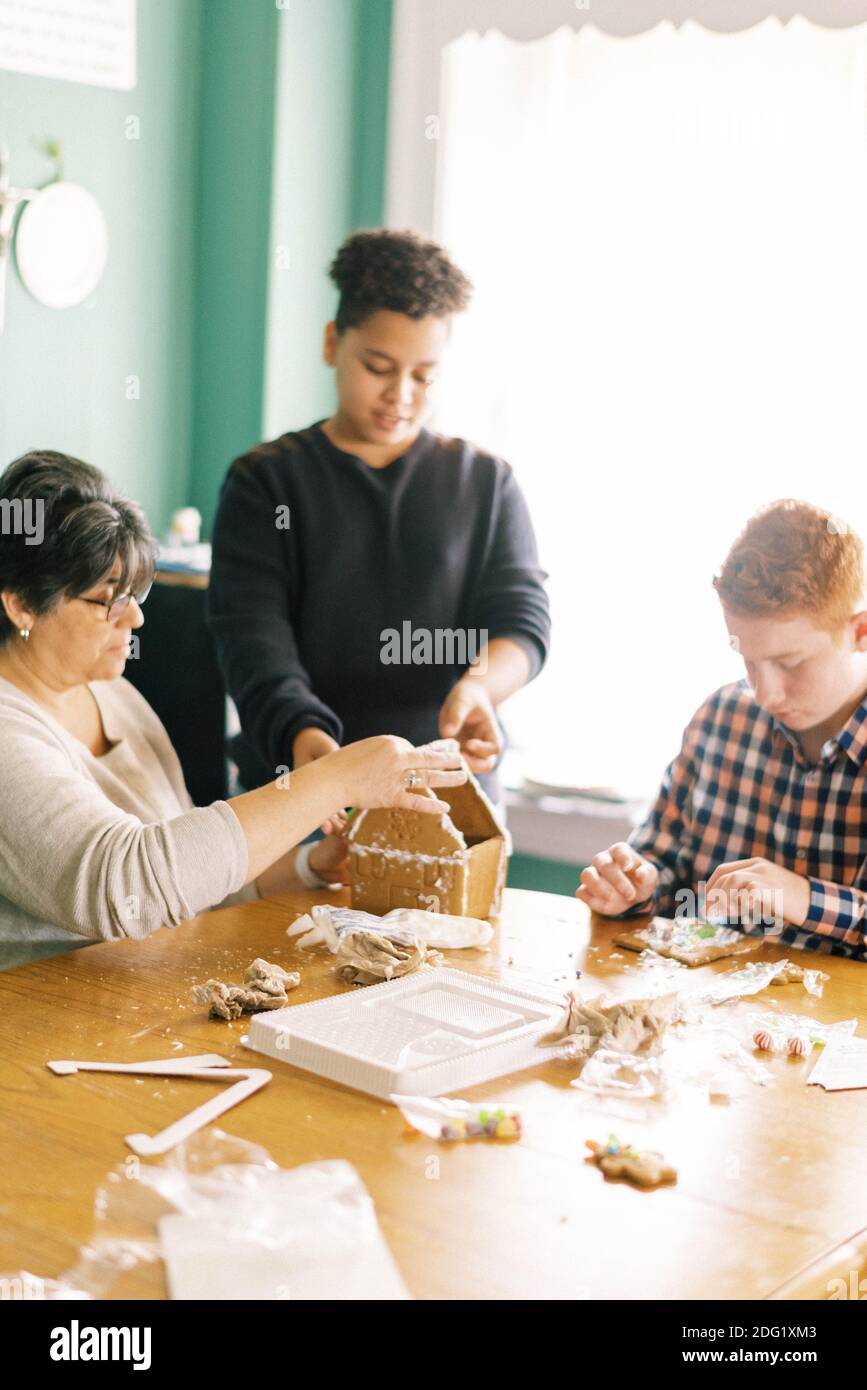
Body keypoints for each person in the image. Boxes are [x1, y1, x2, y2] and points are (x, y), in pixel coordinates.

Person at [0, 451, 466, 969]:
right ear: (21, 602)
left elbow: (188, 888)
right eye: (107, 600)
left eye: (136, 592)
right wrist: (335, 780)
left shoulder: (114, 696)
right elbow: (128, 888)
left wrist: (311, 866)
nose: (133, 617)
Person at [207, 229, 550, 822]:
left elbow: (523, 619)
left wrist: (478, 689)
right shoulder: (266, 483)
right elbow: (253, 644)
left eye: (424, 376)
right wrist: (311, 748)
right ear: (332, 342)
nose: (401, 395)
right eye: (379, 367)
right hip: (305, 794)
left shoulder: (485, 483)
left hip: (448, 799)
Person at [576, 499, 867, 959]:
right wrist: (634, 887)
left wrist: (803, 898)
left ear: (860, 632)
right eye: (747, 660)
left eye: (790, 663)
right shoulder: (720, 718)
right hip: (708, 1015)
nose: (767, 693)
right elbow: (662, 866)